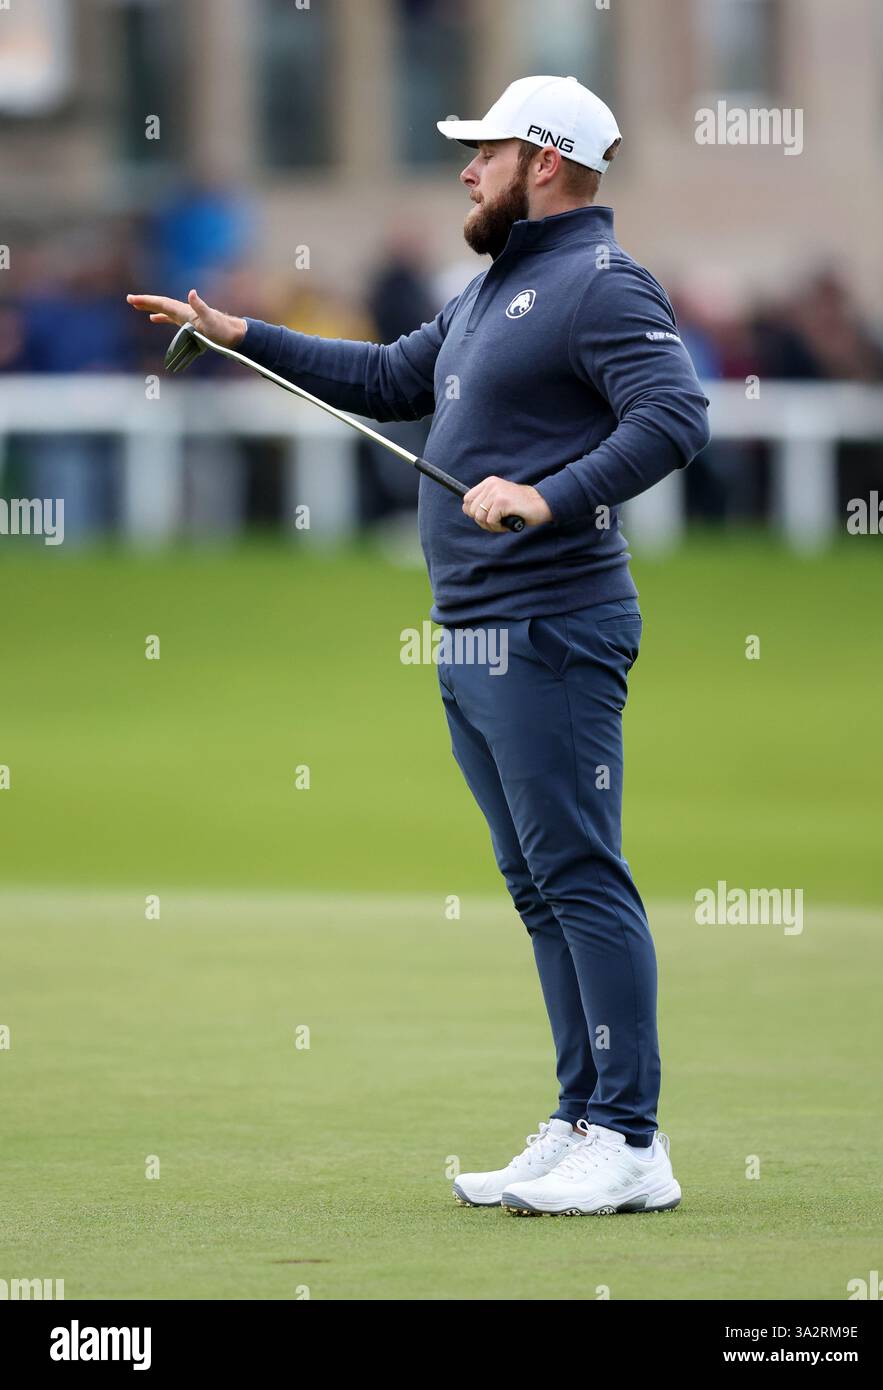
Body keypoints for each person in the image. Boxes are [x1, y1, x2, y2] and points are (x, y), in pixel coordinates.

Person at [127, 74, 710, 1217]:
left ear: (543, 160)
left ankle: (631, 1138)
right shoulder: (496, 287)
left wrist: (546, 497)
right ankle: (582, 1113)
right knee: (538, 885)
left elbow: (673, 415)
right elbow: (394, 378)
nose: (463, 169)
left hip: (552, 624)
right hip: (475, 632)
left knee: (580, 876)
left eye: (481, 151)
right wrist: (240, 332)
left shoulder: (598, 281)